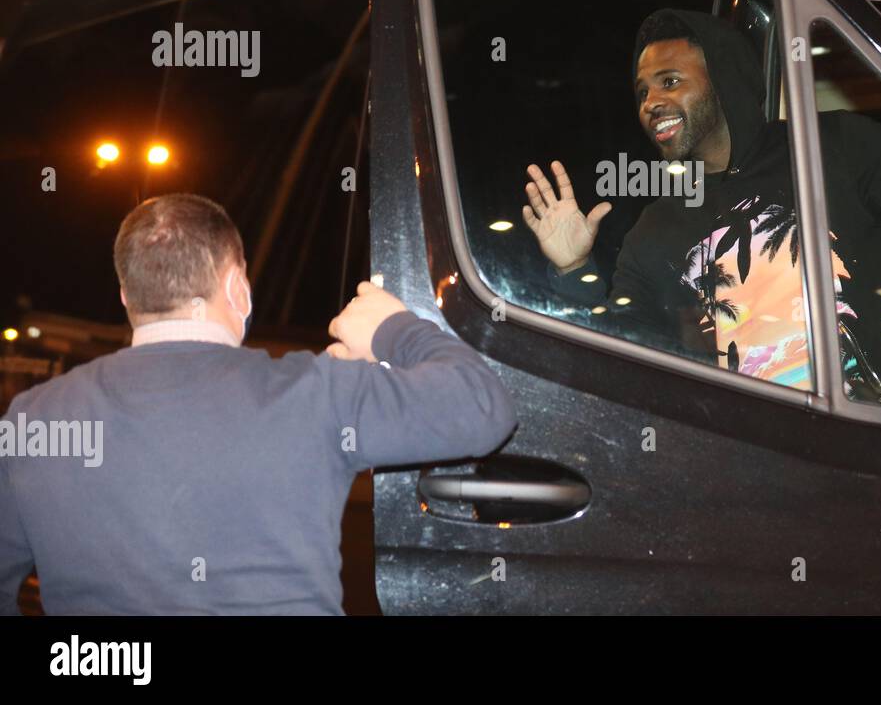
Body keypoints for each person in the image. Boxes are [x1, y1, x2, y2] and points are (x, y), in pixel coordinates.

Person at [0, 193, 515, 615]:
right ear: (237, 287)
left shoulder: (33, 419)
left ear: (126, 298)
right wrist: (392, 329)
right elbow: (483, 408)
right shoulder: (316, 392)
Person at [522, 9, 881, 406]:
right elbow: (617, 364)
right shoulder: (655, 231)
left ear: (722, 78)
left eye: (670, 82)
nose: (651, 103)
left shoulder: (835, 149)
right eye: (642, 92)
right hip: (760, 470)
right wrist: (574, 271)